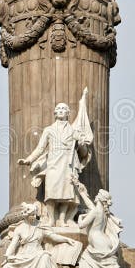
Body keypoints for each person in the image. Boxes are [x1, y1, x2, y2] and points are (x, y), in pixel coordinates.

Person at [18, 88, 92, 227]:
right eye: (59, 108)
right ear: (55, 113)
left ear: (68, 114)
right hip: (54, 163)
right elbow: (40, 148)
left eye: (64, 109)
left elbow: (83, 150)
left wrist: (82, 144)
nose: (61, 110)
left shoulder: (73, 130)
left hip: (68, 163)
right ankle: (51, 218)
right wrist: (28, 160)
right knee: (51, 192)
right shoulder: (49, 130)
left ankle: (62, 219)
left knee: (67, 193)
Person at [74, 178, 135, 268]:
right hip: (103, 240)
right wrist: (81, 192)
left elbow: (81, 225)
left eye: (97, 195)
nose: (95, 196)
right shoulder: (100, 210)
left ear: (100, 198)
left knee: (108, 266)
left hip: (98, 242)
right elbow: (90, 205)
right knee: (106, 265)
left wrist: (80, 217)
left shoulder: (96, 211)